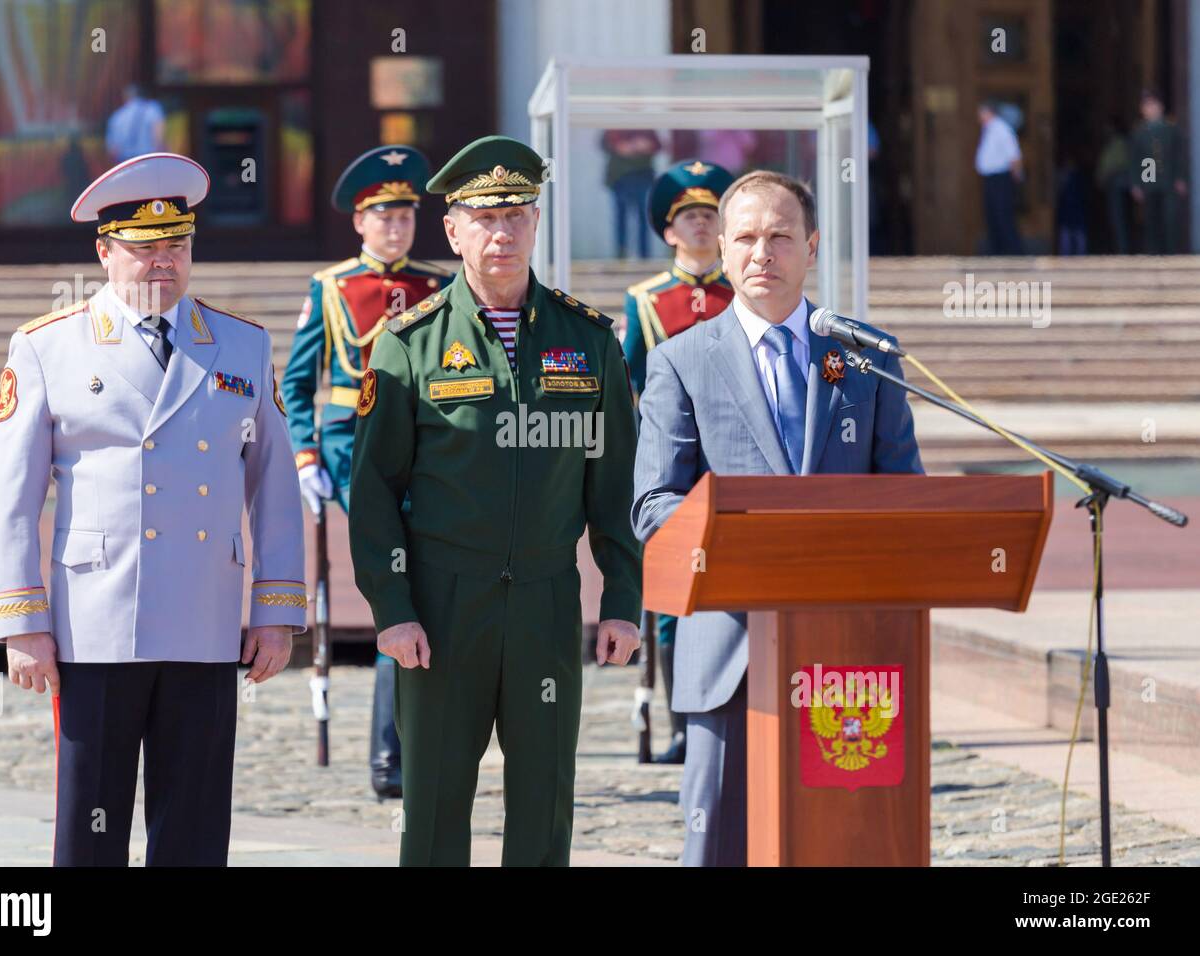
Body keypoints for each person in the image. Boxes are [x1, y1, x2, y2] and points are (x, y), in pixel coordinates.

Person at [0, 152, 307, 866]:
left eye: (179, 247)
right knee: (91, 825)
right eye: (145, 249)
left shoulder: (241, 344)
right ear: (104, 253)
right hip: (96, 623)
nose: (165, 263)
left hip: (206, 616)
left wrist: (278, 610)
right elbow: (10, 498)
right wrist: (22, 623)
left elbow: (275, 488)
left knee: (193, 828)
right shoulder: (47, 347)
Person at [348, 135, 643, 866]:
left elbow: (615, 487)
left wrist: (623, 602)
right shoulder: (408, 344)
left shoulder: (589, 339)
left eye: (516, 214)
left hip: (545, 600)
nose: (502, 232)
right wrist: (392, 609)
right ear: (452, 230)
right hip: (444, 604)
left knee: (545, 803)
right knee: (436, 804)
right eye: (483, 217)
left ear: (538, 222)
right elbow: (375, 491)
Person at [631, 170, 922, 866]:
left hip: (847, 651)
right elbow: (652, 506)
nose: (763, 253)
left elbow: (904, 494)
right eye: (748, 238)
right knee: (720, 848)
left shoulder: (867, 357)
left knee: (846, 844)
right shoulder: (681, 361)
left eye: (781, 237)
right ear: (725, 252)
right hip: (729, 648)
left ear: (812, 246)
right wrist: (753, 538)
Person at [281, 145, 451, 798]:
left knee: (421, 594)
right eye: (383, 215)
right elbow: (297, 384)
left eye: (406, 214)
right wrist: (304, 454)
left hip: (426, 453)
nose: (396, 226)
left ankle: (409, 748)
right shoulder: (329, 287)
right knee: (397, 589)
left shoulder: (439, 287)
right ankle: (390, 759)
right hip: (352, 449)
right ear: (359, 221)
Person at [622, 158, 734, 764]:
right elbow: (628, 387)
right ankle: (685, 722)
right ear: (668, 231)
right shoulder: (644, 302)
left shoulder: (742, 292)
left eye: (709, 216)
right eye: (689, 217)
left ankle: (730, 713)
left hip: (732, 464)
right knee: (669, 601)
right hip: (670, 468)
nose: (699, 226)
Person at [1131, 90, 1189, 254]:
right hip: (1148, 179)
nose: (1150, 109)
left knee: (1170, 218)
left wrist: (1181, 177)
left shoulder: (1171, 129)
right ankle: (1153, 253)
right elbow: (1135, 159)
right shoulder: (1139, 132)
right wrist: (1135, 183)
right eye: (1146, 106)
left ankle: (1171, 252)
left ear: (1160, 107)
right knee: (1151, 219)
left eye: (1153, 105)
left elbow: (1180, 155)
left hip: (1168, 180)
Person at [602, 129, 662, 259]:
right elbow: (604, 143)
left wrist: (646, 145)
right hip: (619, 178)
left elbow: (658, 145)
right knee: (621, 218)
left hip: (642, 177)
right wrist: (619, 145)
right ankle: (621, 255)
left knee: (642, 218)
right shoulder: (614, 124)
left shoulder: (645, 125)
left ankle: (644, 256)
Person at [975, 101, 1024, 255]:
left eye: (981, 113)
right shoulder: (989, 129)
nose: (979, 117)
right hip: (991, 178)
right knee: (993, 216)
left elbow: (1014, 155)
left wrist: (1017, 176)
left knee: (1003, 216)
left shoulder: (1002, 129)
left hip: (1001, 179)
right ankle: (997, 252)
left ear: (990, 113)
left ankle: (1013, 253)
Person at [105, 84, 166, 164]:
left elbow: (113, 149)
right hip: (148, 159)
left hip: (126, 162)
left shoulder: (117, 116)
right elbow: (158, 136)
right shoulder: (152, 108)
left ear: (125, 97)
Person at [1095, 123, 1132, 254]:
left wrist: (1102, 178)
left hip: (1117, 185)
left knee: (1118, 218)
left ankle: (1123, 249)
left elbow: (1110, 165)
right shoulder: (1117, 144)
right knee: (1120, 217)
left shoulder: (1118, 144)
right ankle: (1122, 248)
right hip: (1119, 185)